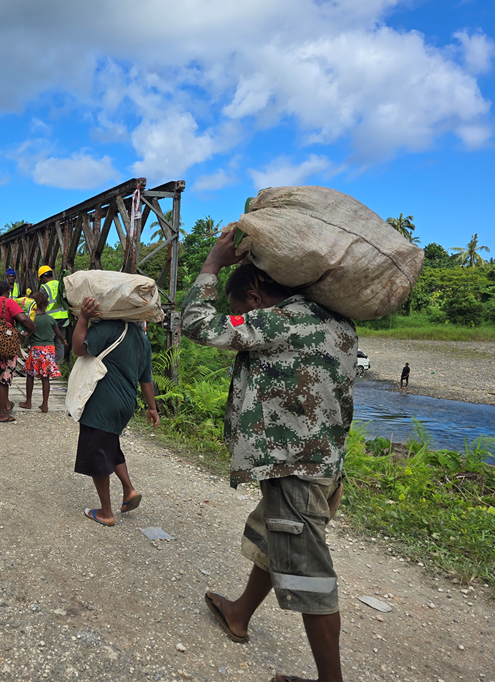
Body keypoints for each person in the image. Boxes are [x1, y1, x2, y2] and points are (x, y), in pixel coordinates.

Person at [181, 226, 355, 682]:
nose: (240, 317)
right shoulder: (336, 320)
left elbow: (196, 324)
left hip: (294, 467)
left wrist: (212, 266)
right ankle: (239, 613)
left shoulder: (279, 321)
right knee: (269, 538)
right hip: (325, 463)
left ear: (255, 297)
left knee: (309, 577)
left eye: (239, 309)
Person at [72, 296, 159, 527]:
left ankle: (106, 512)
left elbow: (78, 348)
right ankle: (129, 490)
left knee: (97, 453)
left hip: (103, 401)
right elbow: (146, 379)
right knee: (110, 443)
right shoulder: (142, 338)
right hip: (126, 403)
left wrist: (83, 318)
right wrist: (152, 407)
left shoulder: (109, 328)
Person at [0, 280, 36, 422]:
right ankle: (0, 414)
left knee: (0, 376)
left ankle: (6, 404)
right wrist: (33, 327)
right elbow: (22, 318)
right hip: (3, 341)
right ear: (8, 291)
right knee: (3, 379)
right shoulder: (9, 302)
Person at [19, 291, 67, 413]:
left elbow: (25, 334)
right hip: (49, 349)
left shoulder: (31, 319)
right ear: (46, 304)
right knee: (45, 377)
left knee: (30, 374)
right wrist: (63, 341)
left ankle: (28, 402)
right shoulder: (50, 319)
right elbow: (59, 334)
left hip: (36, 349)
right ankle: (45, 404)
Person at [38, 265, 69, 365]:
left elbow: (41, 304)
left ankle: (48, 367)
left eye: (41, 279)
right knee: (60, 344)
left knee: (48, 343)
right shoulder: (61, 284)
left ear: (44, 277)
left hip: (51, 320)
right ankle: (58, 367)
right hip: (64, 319)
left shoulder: (45, 287)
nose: (41, 282)